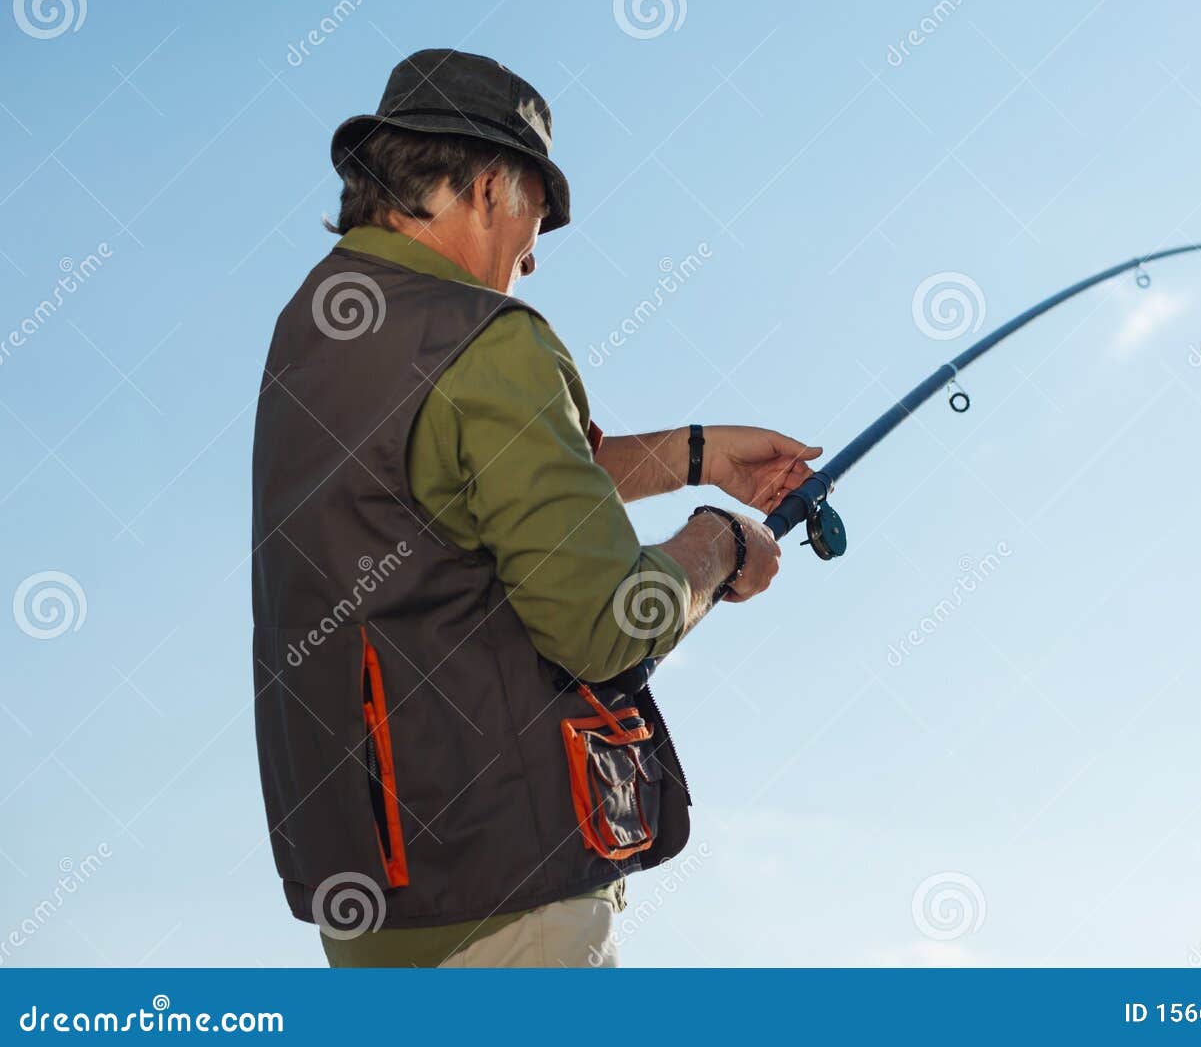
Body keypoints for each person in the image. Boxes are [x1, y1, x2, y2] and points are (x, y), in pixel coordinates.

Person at [249, 48, 818, 967]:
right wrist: (720, 547)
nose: (533, 256)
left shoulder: (315, 329)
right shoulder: (489, 341)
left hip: (371, 904)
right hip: (508, 904)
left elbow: (464, 487)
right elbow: (603, 620)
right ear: (485, 188)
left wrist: (702, 453)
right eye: (533, 217)